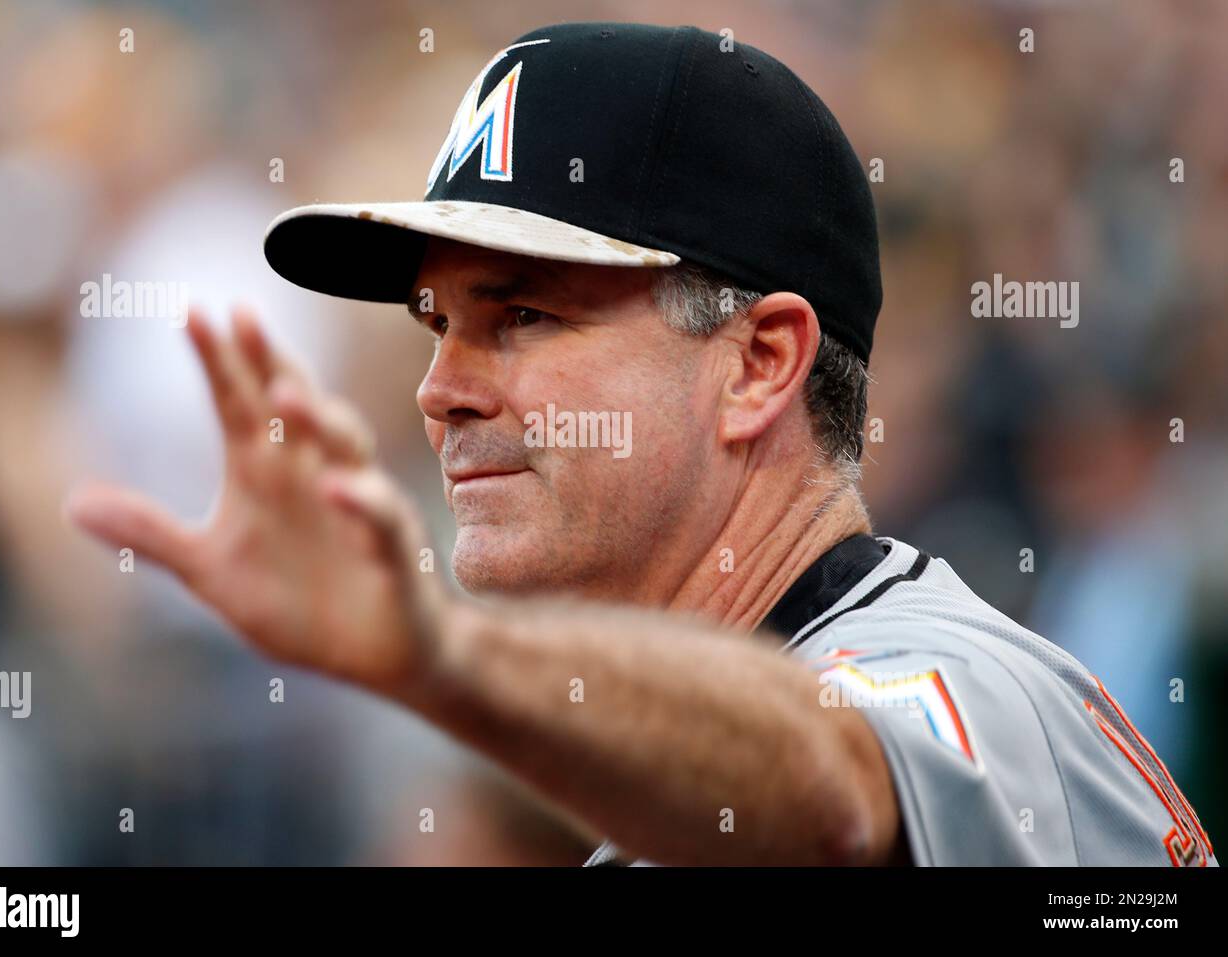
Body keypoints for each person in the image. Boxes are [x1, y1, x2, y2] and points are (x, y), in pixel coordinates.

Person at [66, 22, 1214, 866]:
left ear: (759, 363)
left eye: (522, 315)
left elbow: (836, 788)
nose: (439, 392)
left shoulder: (959, 681)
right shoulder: (662, 800)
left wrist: (440, 657)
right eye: (437, 323)